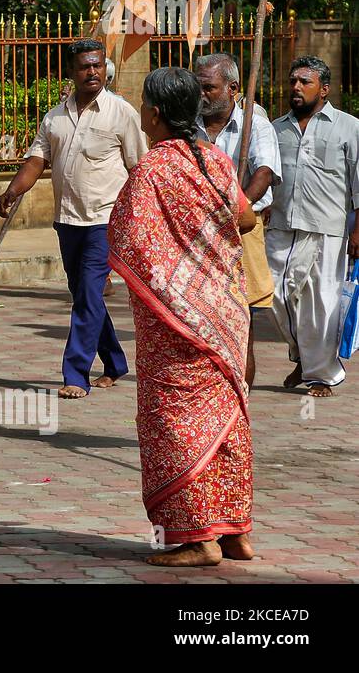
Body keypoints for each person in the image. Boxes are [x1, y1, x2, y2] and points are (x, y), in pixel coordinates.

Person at [108, 67, 257, 567]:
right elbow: (247, 217)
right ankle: (234, 530)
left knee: (174, 421)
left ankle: (197, 539)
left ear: (154, 114)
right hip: (227, 316)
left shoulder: (153, 170)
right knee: (228, 420)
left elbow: (131, 240)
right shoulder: (216, 160)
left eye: (144, 103)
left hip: (176, 321)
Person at [0, 39, 147, 398]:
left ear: (105, 68)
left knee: (88, 294)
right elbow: (36, 160)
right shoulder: (55, 117)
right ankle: (114, 362)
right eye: (85, 66)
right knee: (84, 295)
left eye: (97, 65)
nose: (92, 72)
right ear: (72, 71)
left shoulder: (121, 113)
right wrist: (13, 190)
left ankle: (75, 374)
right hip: (67, 221)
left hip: (105, 220)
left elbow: (139, 166)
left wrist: (140, 217)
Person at [265, 56, 359, 397]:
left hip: (327, 228)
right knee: (274, 295)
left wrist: (357, 230)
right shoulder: (275, 128)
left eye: (305, 82)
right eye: (293, 81)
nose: (296, 87)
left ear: (324, 88)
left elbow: (358, 182)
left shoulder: (349, 127)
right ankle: (303, 355)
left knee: (321, 303)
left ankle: (322, 375)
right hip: (281, 226)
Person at [194, 53, 280, 388]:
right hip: (199, 235)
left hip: (242, 230)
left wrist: (236, 207)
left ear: (232, 88)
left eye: (210, 88)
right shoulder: (188, 126)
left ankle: (240, 398)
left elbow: (264, 173)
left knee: (241, 321)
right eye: (198, 87)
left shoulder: (254, 124)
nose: (202, 94)